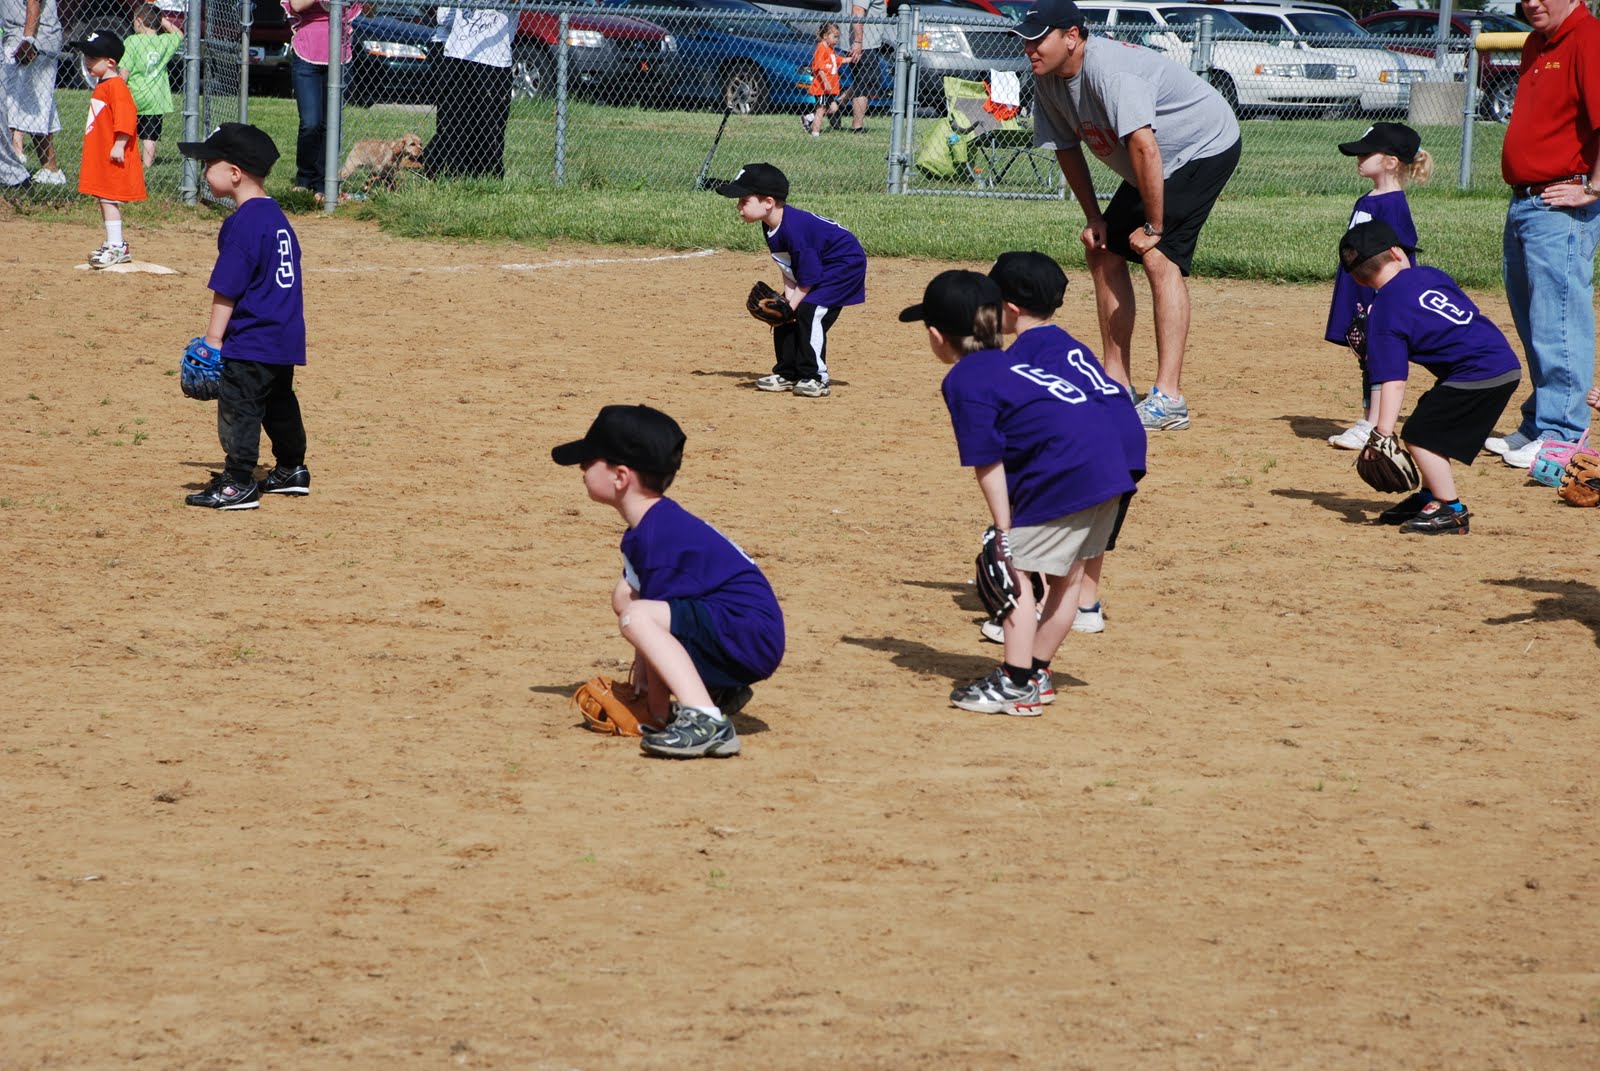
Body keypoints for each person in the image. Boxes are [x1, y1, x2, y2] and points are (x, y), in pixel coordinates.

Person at [902, 270, 1135, 716]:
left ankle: (1014, 682)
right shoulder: (1016, 362)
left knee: (1012, 575)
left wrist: (1004, 529)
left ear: (937, 336)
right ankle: (1035, 675)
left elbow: (987, 462)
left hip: (1067, 475)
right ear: (996, 321)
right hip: (1109, 468)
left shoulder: (965, 379)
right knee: (1067, 581)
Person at [1013, 0, 1240, 432]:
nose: (1030, 49)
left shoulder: (1111, 72)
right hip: (1155, 162)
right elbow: (1066, 147)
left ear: (1072, 36)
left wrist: (1155, 227)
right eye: (1027, 40)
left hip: (1202, 144)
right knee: (1103, 252)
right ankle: (1116, 383)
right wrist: (1094, 217)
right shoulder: (1048, 79)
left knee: (1160, 257)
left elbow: (1144, 146)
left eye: (1038, 39)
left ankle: (1169, 399)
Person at [551, 404, 785, 759]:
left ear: (621, 477)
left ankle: (706, 721)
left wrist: (654, 711)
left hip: (748, 634)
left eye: (590, 459)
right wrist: (641, 684)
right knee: (626, 598)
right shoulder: (650, 526)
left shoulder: (659, 535)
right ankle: (717, 688)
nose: (581, 467)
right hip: (734, 626)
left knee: (638, 616)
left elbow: (656, 624)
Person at [987, 251, 1144, 639]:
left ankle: (1041, 608)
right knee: (1092, 526)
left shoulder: (1022, 354)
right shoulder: (1068, 344)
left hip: (1085, 448)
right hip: (1126, 437)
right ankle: (1086, 606)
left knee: (1051, 516)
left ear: (1009, 309)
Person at [1339, 221, 1521, 536]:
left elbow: (1392, 380)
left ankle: (1450, 508)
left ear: (1357, 278)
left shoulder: (1383, 312)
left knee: (1421, 435)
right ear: (1397, 252)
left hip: (1477, 373)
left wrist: (1383, 432)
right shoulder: (1430, 274)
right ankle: (1430, 495)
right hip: (1498, 361)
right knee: (1429, 413)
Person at [176, 123, 311, 510]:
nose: (203, 171)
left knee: (241, 405)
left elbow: (228, 288)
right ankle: (291, 468)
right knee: (279, 401)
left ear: (234, 173)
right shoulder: (276, 218)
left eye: (208, 164)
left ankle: (238, 482)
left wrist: (213, 341)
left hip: (250, 337)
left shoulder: (243, 223)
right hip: (282, 334)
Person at [1489, 0, 1600, 471]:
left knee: (1558, 319)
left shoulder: (1588, 38)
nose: (1531, 2)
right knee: (1535, 320)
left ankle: (1563, 433)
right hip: (1527, 201)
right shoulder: (1538, 41)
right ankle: (1540, 422)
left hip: (1561, 203)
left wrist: (1594, 187)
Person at [716, 162, 866, 398]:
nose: (738, 207)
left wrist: (792, 305)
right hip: (819, 263)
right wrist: (786, 302)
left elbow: (808, 277)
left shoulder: (796, 230)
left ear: (768, 202)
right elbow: (789, 267)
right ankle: (788, 373)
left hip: (844, 266)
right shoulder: (771, 225)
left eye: (744, 201)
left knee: (808, 311)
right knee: (784, 312)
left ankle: (816, 377)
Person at [1325, 122, 1432, 450]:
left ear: (1390, 162)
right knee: (1366, 355)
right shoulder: (1369, 199)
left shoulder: (1392, 206)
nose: (1358, 158)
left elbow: (1402, 258)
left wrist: (1386, 299)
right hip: (1360, 287)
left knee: (1379, 355)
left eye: (1366, 153)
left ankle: (1373, 425)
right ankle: (1368, 417)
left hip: (1379, 293)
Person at [70, 30, 144, 269]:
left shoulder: (116, 87)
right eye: (86, 56)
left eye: (92, 57)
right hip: (103, 154)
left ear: (110, 62)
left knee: (108, 199)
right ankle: (114, 243)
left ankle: (117, 246)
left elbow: (128, 118)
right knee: (104, 199)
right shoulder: (104, 84)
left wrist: (120, 145)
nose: (86, 61)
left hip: (114, 155)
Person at [423, 7, 512, 179]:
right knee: (453, 122)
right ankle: (453, 176)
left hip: (494, 59)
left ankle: (486, 178)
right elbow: (442, 16)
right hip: (458, 53)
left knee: (489, 124)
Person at [283, 0, 358, 199]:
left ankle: (324, 183)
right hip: (307, 52)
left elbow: (371, 10)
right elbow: (297, 5)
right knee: (311, 122)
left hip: (339, 54)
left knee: (330, 124)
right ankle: (305, 178)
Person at [1, 0, 65, 184]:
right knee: (35, 106)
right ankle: (50, 169)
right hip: (17, 36)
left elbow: (34, 1)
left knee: (11, 105)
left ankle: (12, 170)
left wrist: (28, 40)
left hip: (33, 41)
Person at [122, 4, 182, 170]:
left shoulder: (132, 41)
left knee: (127, 127)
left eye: (134, 20)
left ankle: (125, 155)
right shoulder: (164, 41)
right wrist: (162, 20)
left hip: (134, 95)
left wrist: (120, 85)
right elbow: (179, 34)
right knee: (150, 134)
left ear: (139, 21)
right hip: (156, 98)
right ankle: (147, 164)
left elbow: (125, 70)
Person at [847, 0, 891, 134]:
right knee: (866, 83)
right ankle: (857, 128)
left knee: (863, 82)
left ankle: (835, 106)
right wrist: (858, 41)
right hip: (864, 44)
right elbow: (858, 10)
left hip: (868, 43)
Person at [802, 21, 848, 136]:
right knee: (821, 109)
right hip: (822, 87)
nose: (837, 40)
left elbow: (838, 60)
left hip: (830, 88)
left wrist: (851, 58)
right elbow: (820, 68)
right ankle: (815, 133)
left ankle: (808, 118)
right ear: (825, 36)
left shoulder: (830, 49)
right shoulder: (821, 49)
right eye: (835, 37)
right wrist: (826, 82)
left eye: (838, 37)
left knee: (833, 109)